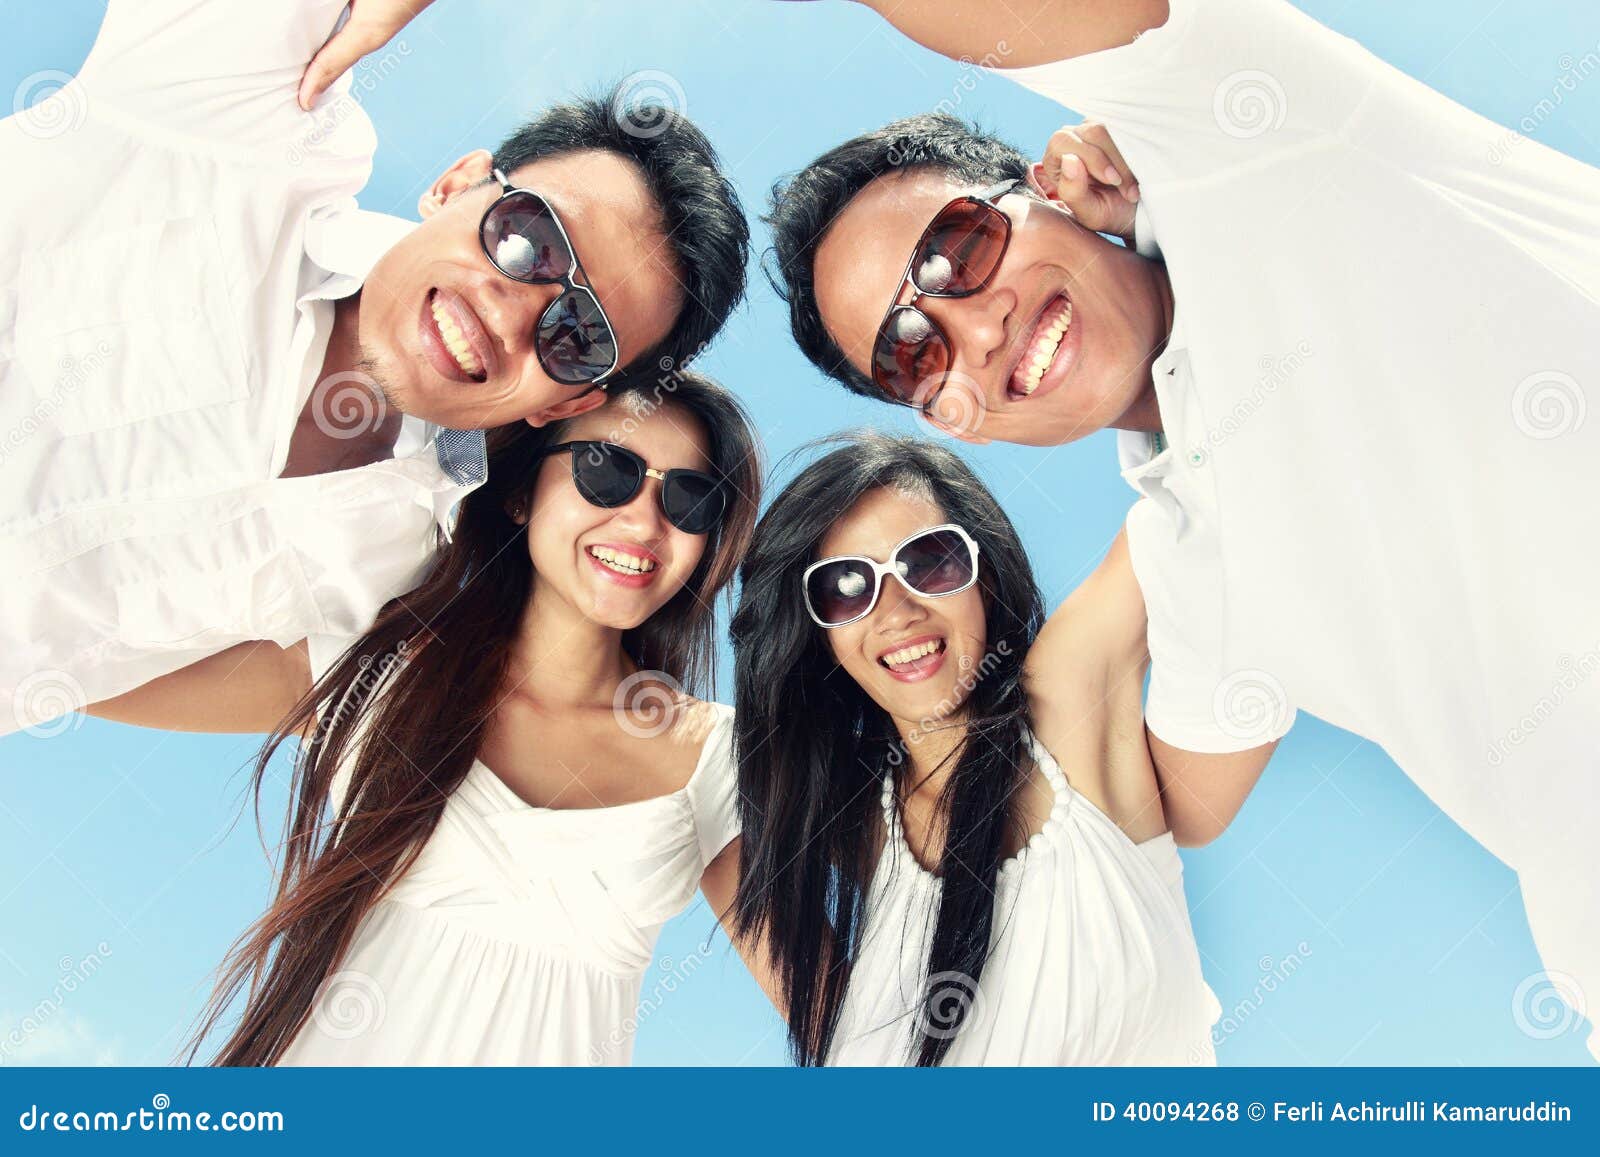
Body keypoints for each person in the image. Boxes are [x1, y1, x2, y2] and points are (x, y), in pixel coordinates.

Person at [764, 0, 1600, 1057]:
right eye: (913, 356)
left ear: (1043, 187)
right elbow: (1162, 801)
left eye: (959, 247)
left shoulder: (1242, 140)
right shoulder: (1189, 557)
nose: (977, 328)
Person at [0, 0, 748, 736]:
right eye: (529, 237)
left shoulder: (392, 575)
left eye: (578, 334)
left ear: (562, 403)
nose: (516, 310)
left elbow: (265, 689)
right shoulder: (241, 128)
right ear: (456, 185)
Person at [87, 374, 762, 1065]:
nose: (646, 523)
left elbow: (840, 1008)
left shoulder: (714, 757)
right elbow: (73, 673)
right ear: (522, 491)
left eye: (691, 498)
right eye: (605, 469)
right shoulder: (380, 674)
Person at [728, 432, 1220, 1065]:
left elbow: (1190, 492)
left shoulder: (1069, 714)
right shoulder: (850, 831)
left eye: (930, 562)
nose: (897, 611)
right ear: (816, 635)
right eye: (845, 587)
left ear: (984, 574)